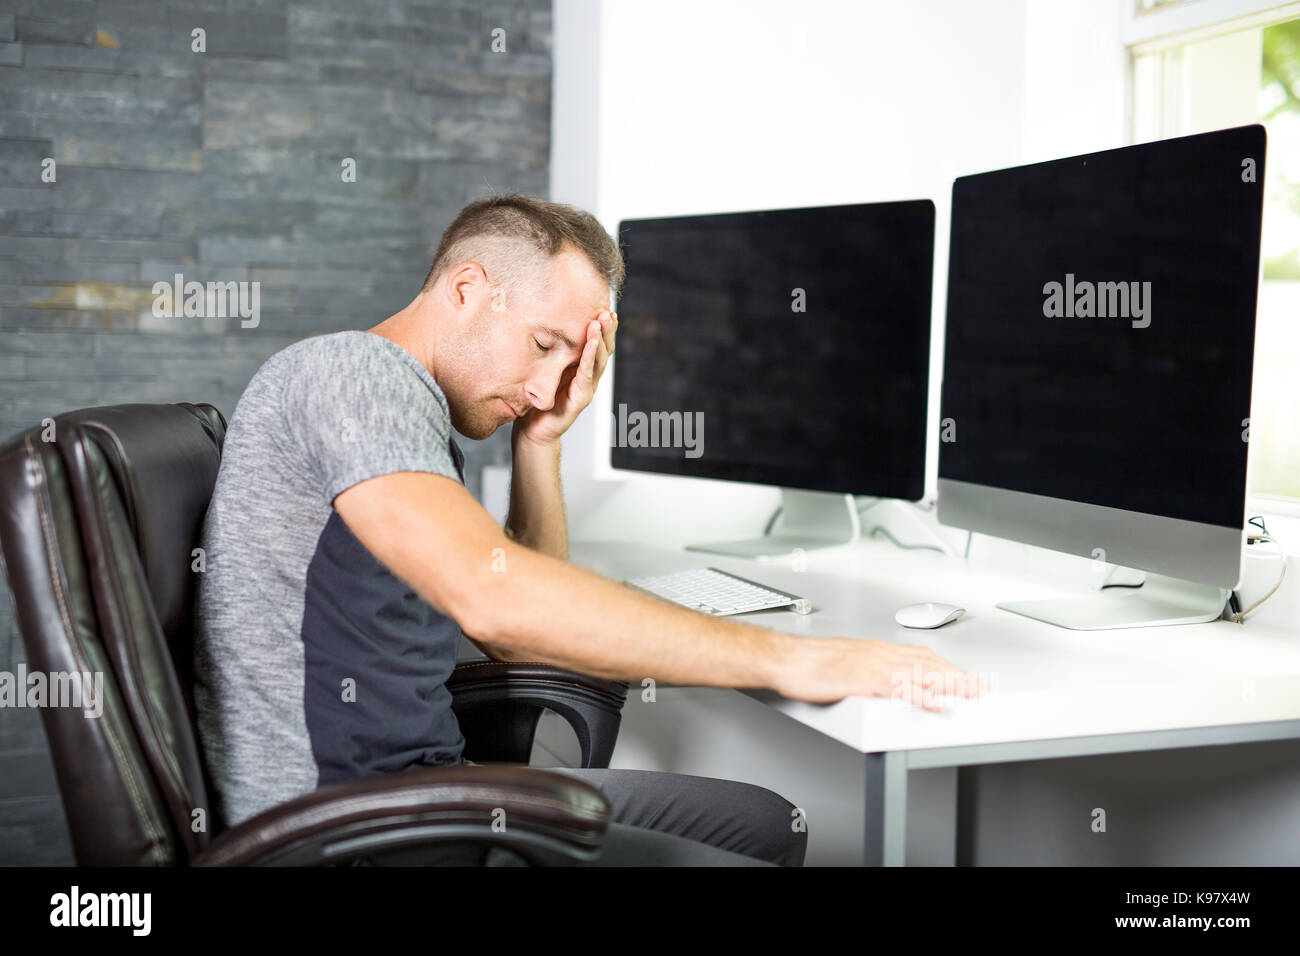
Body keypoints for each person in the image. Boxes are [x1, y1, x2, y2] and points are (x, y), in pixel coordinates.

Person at [193, 193, 979, 866]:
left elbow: (511, 637)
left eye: (570, 362)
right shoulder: (355, 378)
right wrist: (790, 659)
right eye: (543, 346)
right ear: (468, 288)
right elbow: (490, 597)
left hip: (426, 792)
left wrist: (540, 444)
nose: (545, 387)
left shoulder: (408, 410)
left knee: (766, 825)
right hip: (357, 833)